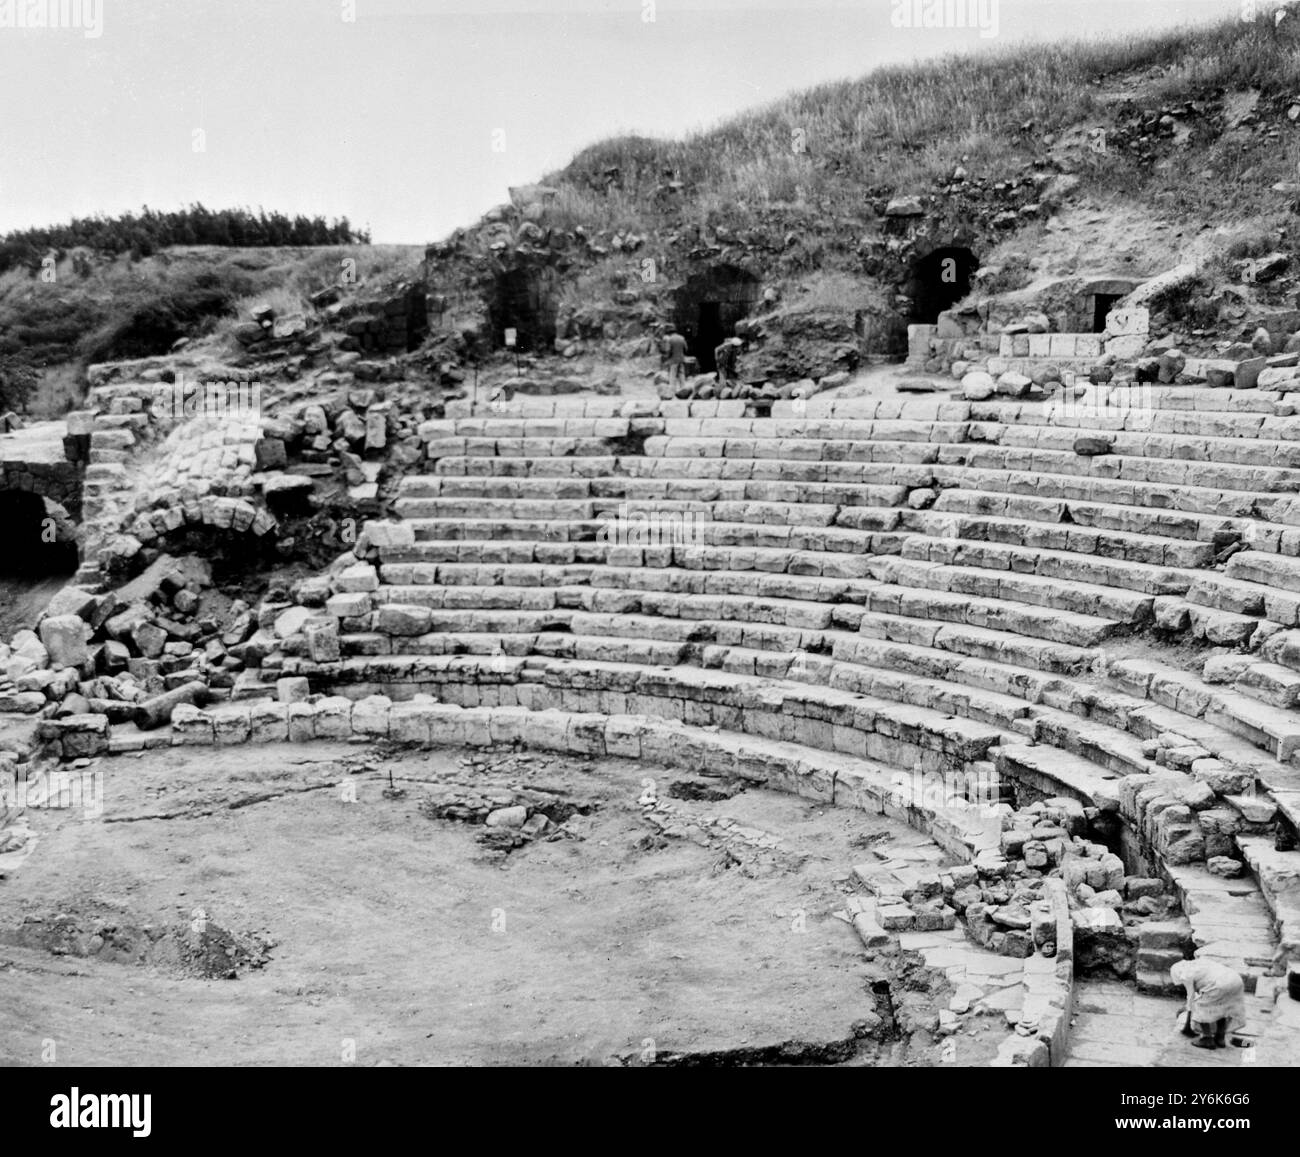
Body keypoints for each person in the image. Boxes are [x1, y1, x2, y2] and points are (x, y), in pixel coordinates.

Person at [1170, 959, 1248, 1049]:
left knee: (1200, 1007)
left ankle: (1207, 1038)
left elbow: (1191, 998)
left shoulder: (1185, 975)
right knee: (1223, 1008)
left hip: (1219, 984)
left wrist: (1187, 1025)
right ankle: (1220, 1037)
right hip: (1235, 979)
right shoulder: (1199, 964)